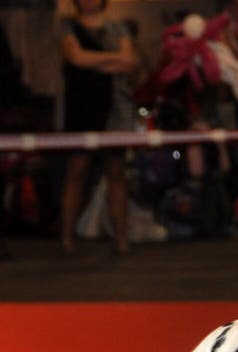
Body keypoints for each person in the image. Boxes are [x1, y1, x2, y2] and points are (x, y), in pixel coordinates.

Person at [59, 0, 138, 256]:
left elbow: (129, 63)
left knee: (116, 172)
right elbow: (76, 58)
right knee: (77, 170)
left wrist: (94, 61)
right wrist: (113, 58)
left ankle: (121, 238)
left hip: (115, 108)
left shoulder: (118, 28)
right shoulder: (67, 26)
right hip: (83, 107)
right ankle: (67, 238)